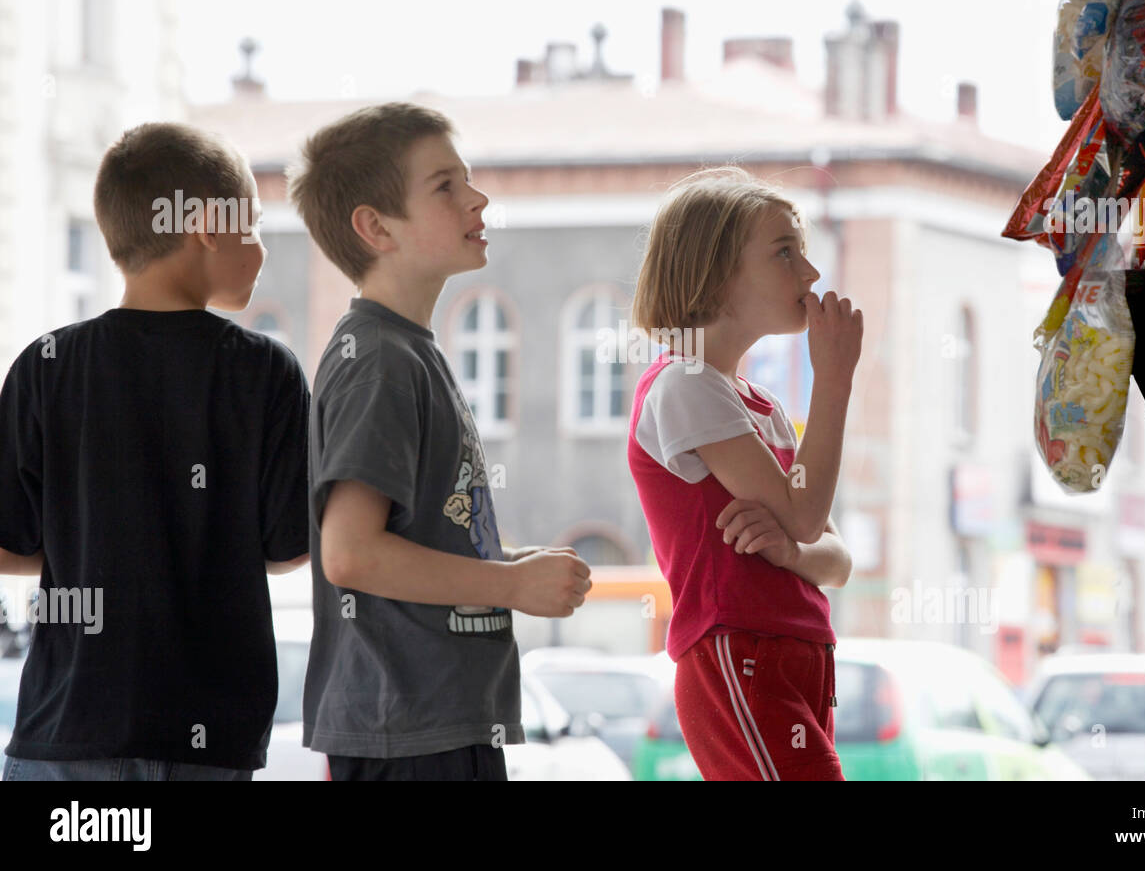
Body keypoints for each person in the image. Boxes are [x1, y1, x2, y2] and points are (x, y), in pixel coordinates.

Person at [287, 102, 591, 781]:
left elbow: (405, 545)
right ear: (375, 227)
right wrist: (508, 582)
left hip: (432, 728)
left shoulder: (405, 351)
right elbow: (351, 553)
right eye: (446, 186)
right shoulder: (380, 360)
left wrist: (508, 564)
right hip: (408, 736)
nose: (477, 199)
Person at [0, 122, 310, 780]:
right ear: (205, 226)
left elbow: (8, 543)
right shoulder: (265, 373)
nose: (260, 251)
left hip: (61, 738)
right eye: (250, 228)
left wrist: (86, 545)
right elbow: (287, 548)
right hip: (202, 748)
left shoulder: (45, 367)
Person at [627, 166, 862, 780]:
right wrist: (833, 380)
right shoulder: (684, 384)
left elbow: (834, 558)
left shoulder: (757, 403)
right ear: (713, 272)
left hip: (795, 650)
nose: (810, 274)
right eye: (785, 252)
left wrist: (788, 551)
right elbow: (808, 517)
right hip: (742, 649)